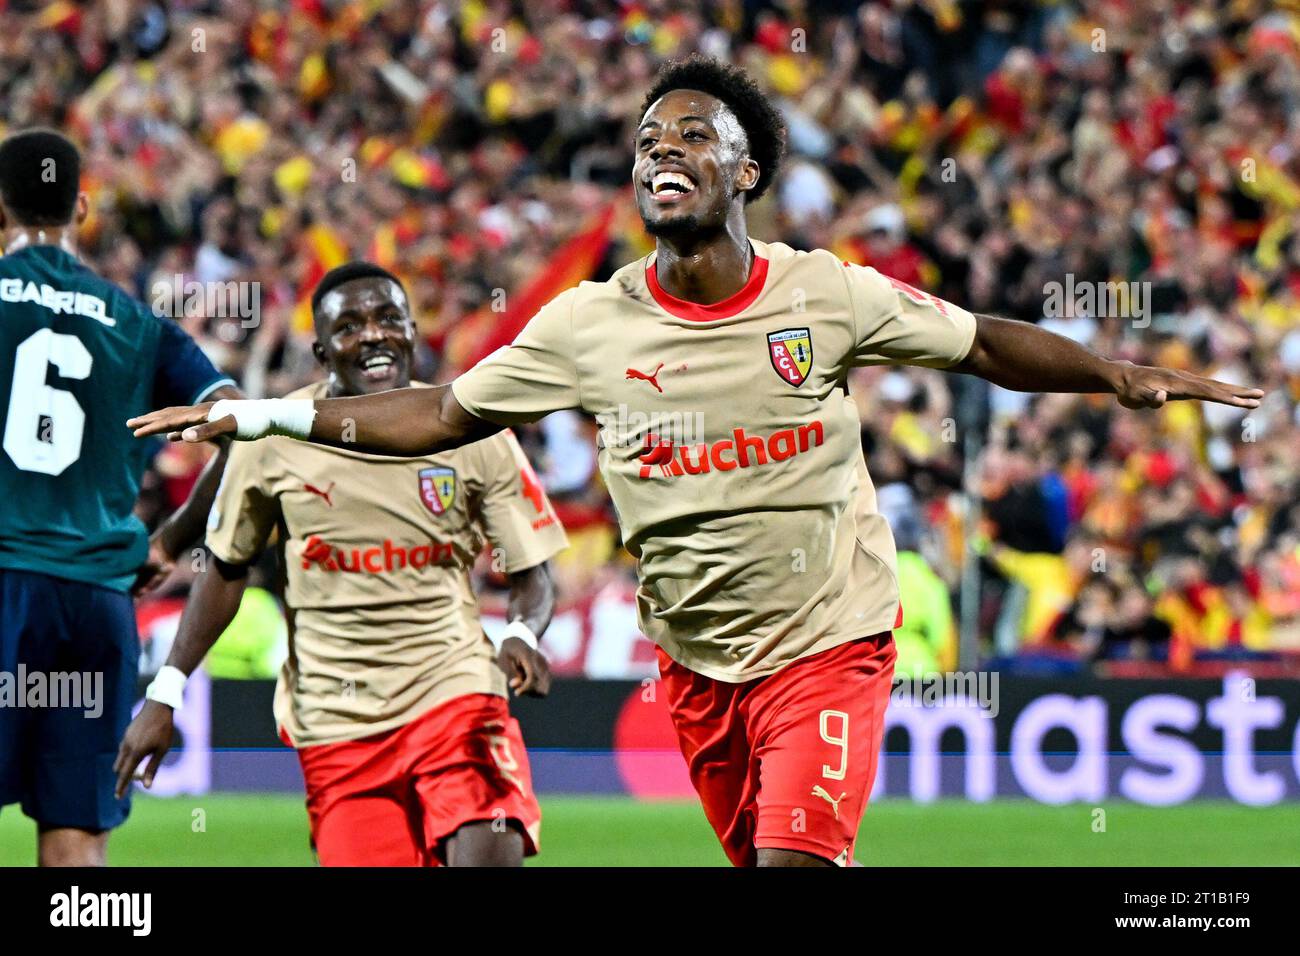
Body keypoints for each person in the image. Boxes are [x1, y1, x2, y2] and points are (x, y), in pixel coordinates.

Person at [128, 57, 1264, 867]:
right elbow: (435, 416)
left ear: (747, 172)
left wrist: (1108, 372)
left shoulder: (827, 292)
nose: (661, 155)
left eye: (690, 139)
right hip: (695, 666)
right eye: (646, 144)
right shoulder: (585, 324)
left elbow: (981, 340)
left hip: (827, 640)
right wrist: (271, 414)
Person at [116, 262, 567, 866]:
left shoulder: (477, 433)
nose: (373, 334)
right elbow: (226, 569)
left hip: (456, 694)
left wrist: (519, 630)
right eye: (349, 326)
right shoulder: (273, 439)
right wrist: (165, 693)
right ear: (322, 349)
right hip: (336, 720)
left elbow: (531, 571)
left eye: (387, 318)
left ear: (411, 329)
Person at [0, 128, 238, 866]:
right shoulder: (138, 322)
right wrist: (171, 538)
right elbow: (241, 425)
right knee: (76, 840)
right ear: (82, 207)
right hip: (96, 600)